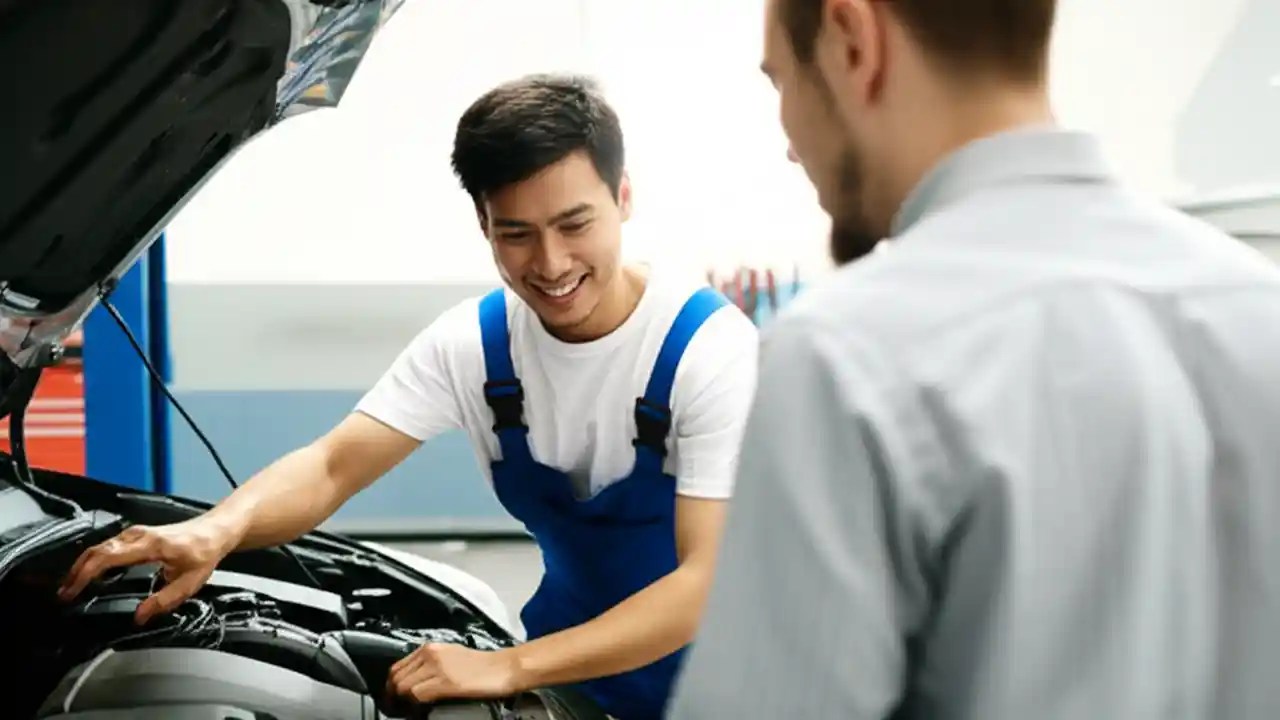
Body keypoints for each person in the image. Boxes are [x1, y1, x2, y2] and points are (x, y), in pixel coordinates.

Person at [58, 73, 759, 720]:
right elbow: (334, 465)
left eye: (575, 225)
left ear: (624, 197)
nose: (550, 263)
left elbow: (703, 585)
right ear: (484, 225)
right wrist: (220, 528)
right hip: (571, 679)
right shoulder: (477, 349)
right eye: (516, 234)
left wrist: (508, 665)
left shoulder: (708, 351)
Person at [668, 0, 1280, 718]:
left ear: (851, 40)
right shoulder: (1260, 311)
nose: (792, 144)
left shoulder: (845, 358)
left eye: (782, 82)